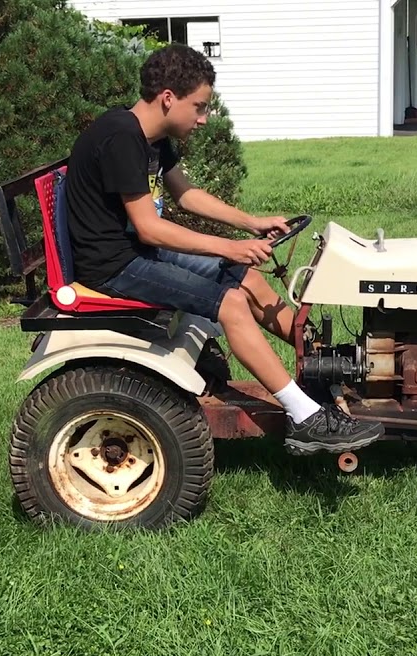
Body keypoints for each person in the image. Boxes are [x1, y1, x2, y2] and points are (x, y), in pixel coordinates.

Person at [64, 43, 383, 455]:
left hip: (132, 252)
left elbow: (186, 195)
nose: (203, 118)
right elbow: (149, 229)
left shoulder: (150, 136)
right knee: (231, 302)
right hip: (114, 266)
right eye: (198, 106)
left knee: (247, 279)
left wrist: (250, 222)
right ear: (167, 99)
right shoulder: (122, 138)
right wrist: (229, 247)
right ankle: (305, 417)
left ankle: (331, 368)